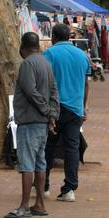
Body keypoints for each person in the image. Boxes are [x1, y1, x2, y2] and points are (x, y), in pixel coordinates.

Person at [5, 32, 58, 218]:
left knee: (27, 164)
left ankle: (25, 205)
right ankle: (40, 204)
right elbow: (54, 92)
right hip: (42, 123)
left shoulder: (28, 64)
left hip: (30, 120)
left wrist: (46, 111)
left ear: (24, 47)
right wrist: (52, 114)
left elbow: (30, 91)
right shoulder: (46, 63)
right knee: (39, 163)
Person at [43, 23, 91, 201]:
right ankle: (69, 189)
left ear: (53, 37)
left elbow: (44, 81)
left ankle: (43, 185)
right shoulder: (82, 56)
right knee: (72, 148)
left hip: (54, 108)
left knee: (48, 146)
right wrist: (84, 106)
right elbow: (86, 84)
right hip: (75, 109)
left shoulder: (49, 54)